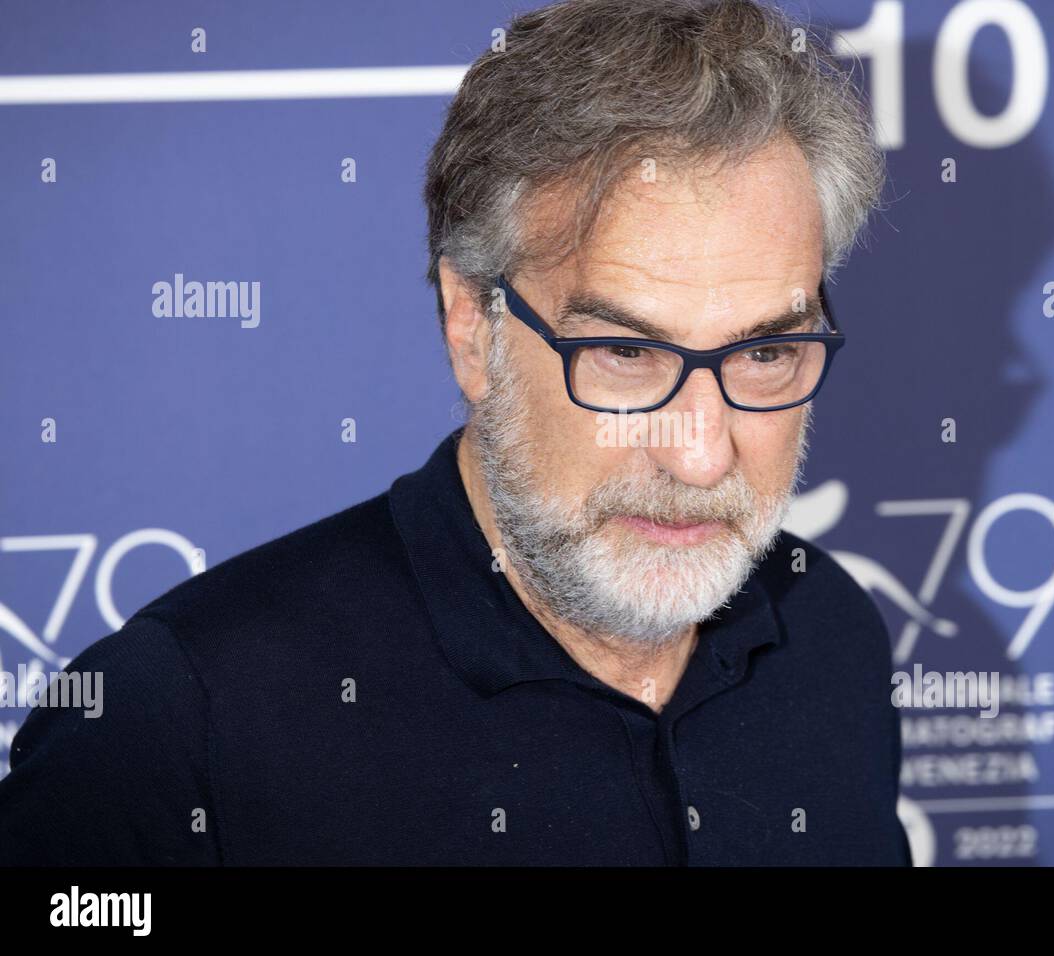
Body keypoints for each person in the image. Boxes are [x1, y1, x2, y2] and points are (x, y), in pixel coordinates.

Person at [0, 0, 910, 866]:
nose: (702, 452)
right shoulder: (179, 719)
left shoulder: (827, 633)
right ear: (471, 326)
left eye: (764, 354)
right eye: (626, 354)